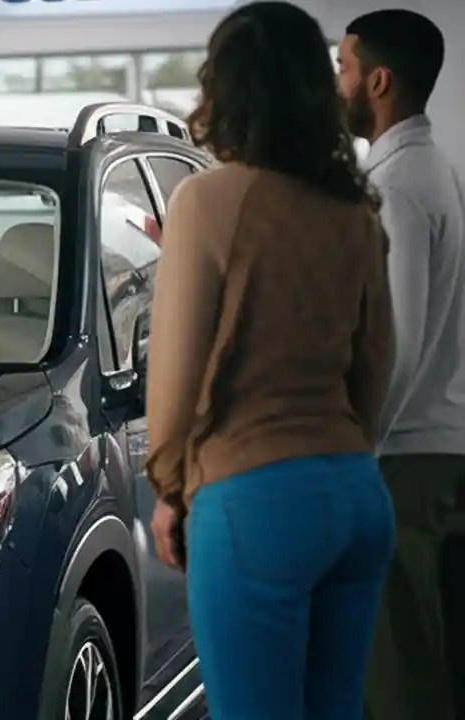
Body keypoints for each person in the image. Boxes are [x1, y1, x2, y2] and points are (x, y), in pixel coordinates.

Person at [144, 3, 396, 718]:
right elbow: (376, 365)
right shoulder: (356, 209)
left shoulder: (206, 200)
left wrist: (171, 488)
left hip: (253, 500)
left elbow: (176, 370)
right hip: (354, 495)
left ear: (222, 87)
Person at [337, 10, 465, 720]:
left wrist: (356, 451)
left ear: (378, 81)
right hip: (432, 450)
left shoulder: (399, 186)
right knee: (425, 658)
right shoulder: (425, 166)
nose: (338, 83)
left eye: (344, 69)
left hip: (402, 460)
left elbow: (398, 339)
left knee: (399, 674)